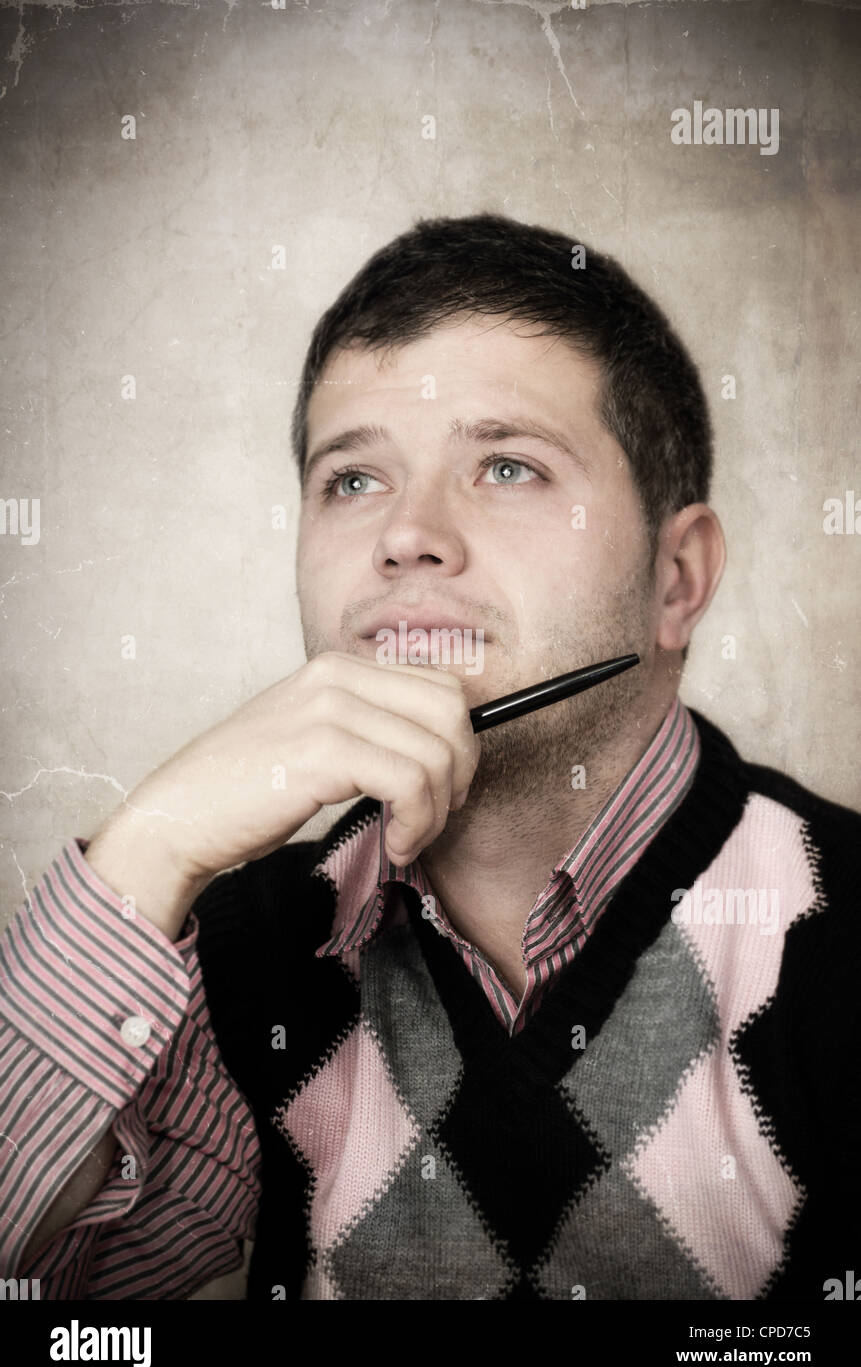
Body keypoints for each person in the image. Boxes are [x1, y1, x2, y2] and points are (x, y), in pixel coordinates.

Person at [1, 214, 857, 1301]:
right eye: (353, 480)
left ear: (676, 578)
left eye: (505, 465)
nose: (407, 535)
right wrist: (146, 853)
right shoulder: (231, 959)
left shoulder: (839, 931)